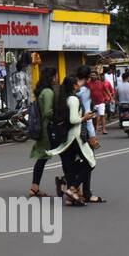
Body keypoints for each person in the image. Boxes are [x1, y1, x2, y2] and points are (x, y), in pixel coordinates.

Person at [48, 72, 98, 205]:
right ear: (74, 86)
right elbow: (73, 119)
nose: (79, 84)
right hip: (76, 135)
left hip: (66, 135)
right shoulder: (74, 99)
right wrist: (85, 118)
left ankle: (71, 195)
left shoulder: (63, 98)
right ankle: (73, 188)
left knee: (69, 165)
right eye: (77, 83)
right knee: (91, 161)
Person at [27, 68, 58, 198]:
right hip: (48, 130)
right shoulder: (48, 92)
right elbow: (47, 112)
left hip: (42, 129)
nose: (57, 78)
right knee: (64, 154)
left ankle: (34, 187)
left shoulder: (41, 92)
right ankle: (71, 187)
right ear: (51, 77)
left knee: (42, 159)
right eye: (55, 76)